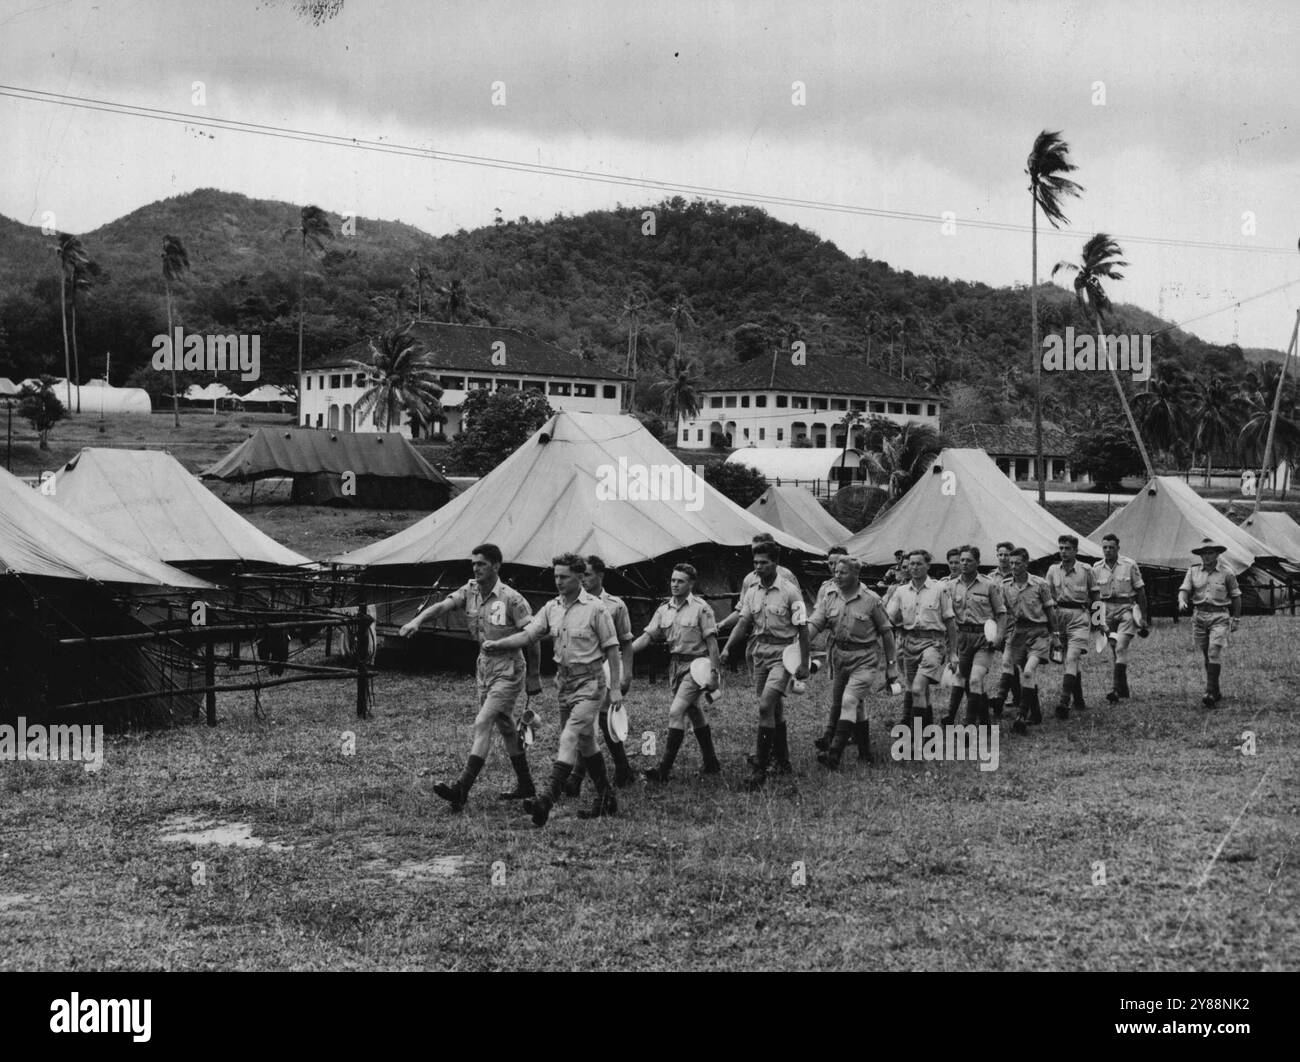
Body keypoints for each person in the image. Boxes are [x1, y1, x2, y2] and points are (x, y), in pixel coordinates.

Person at [482, 553, 623, 827]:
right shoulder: (551, 608)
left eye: (564, 577)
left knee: (569, 737)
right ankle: (607, 797)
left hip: (591, 683)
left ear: (580, 577)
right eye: (556, 576)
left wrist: (615, 687)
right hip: (565, 684)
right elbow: (529, 634)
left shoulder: (596, 609)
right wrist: (500, 644)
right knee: (585, 741)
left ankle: (545, 799)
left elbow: (613, 649)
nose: (558, 581)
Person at [399, 543, 543, 811]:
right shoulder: (470, 591)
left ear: (496, 566)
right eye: (473, 564)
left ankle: (461, 788)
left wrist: (534, 675)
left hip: (509, 668)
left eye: (482, 564)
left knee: (483, 721)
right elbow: (443, 606)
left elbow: (533, 637)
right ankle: (526, 784)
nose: (476, 568)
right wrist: (417, 621)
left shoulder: (512, 599)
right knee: (506, 726)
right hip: (484, 667)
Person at [719, 541, 809, 789]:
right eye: (756, 563)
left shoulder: (791, 591)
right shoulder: (752, 591)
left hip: (784, 654)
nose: (759, 567)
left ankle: (760, 770)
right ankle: (783, 761)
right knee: (774, 709)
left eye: (764, 562)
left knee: (766, 705)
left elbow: (803, 628)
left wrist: (804, 661)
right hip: (760, 653)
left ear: (775, 563)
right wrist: (727, 649)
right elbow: (743, 622)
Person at [631, 563, 722, 783]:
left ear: (691, 584)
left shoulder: (702, 608)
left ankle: (664, 769)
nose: (675, 584)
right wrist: (624, 654)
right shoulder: (664, 610)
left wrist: (714, 673)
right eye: (673, 580)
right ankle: (711, 762)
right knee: (693, 711)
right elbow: (647, 637)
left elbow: (712, 643)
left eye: (680, 581)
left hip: (697, 666)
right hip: (675, 666)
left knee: (676, 712)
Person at [806, 555, 896, 767]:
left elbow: (887, 633)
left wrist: (891, 667)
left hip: (865, 659)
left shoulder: (871, 599)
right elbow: (815, 624)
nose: (837, 576)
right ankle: (865, 753)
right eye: (835, 571)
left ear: (856, 575)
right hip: (840, 658)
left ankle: (834, 754)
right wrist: (798, 647)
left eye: (843, 572)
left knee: (849, 701)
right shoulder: (830, 596)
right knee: (851, 704)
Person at [564, 555, 635, 795]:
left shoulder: (616, 605)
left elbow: (625, 643)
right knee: (594, 723)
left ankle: (576, 777)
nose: (583, 579)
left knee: (595, 721)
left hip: (606, 669)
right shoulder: (572, 603)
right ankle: (622, 767)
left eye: (587, 575)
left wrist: (626, 675)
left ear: (600, 576)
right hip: (581, 673)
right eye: (580, 575)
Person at [884, 549, 958, 729]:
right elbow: (889, 619)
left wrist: (953, 653)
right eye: (911, 564)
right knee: (919, 690)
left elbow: (950, 622)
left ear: (928, 565)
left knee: (917, 688)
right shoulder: (901, 591)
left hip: (933, 644)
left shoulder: (940, 588)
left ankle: (916, 740)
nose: (914, 567)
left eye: (919, 564)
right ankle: (928, 730)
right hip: (909, 644)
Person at [945, 545, 1007, 726]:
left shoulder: (989, 585)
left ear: (978, 562)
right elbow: (948, 617)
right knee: (961, 679)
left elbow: (1001, 614)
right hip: (962, 638)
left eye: (969, 560)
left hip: (983, 639)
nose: (964, 563)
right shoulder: (950, 586)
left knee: (974, 679)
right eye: (962, 560)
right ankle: (986, 722)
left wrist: (999, 637)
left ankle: (969, 725)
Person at [1178, 540, 1242, 707]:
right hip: (1199, 616)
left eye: (1210, 553)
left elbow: (1236, 596)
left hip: (1219, 616)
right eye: (1204, 553)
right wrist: (1182, 600)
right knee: (1207, 654)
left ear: (1217, 554)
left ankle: (1209, 692)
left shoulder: (1227, 573)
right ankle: (1216, 690)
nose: (1206, 556)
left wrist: (1236, 619)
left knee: (1214, 652)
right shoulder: (1193, 571)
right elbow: (1184, 589)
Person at [1002, 547, 1058, 734]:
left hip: (1038, 632)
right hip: (1018, 634)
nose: (1014, 567)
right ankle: (1036, 713)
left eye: (1018, 563)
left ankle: (1021, 715)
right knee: (1026, 674)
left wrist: (1055, 636)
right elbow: (1006, 614)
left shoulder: (1040, 584)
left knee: (1028, 672)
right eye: (1011, 563)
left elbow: (1050, 611)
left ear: (1026, 563)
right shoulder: (1006, 586)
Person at [1045, 534, 1100, 718]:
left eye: (1068, 548)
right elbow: (1047, 598)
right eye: (1061, 548)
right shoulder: (1053, 570)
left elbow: (1096, 597)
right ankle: (1079, 699)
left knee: (1072, 656)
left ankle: (1063, 701)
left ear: (1076, 550)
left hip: (1079, 617)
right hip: (1059, 617)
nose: (1063, 552)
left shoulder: (1086, 570)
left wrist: (1098, 622)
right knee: (1069, 661)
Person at [1092, 533, 1150, 703]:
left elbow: (1141, 591)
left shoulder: (1129, 565)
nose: (1108, 550)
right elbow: (1094, 596)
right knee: (1114, 648)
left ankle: (1116, 690)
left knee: (1120, 648)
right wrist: (1097, 621)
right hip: (1106, 612)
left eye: (1111, 547)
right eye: (1105, 547)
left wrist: (1143, 618)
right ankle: (1123, 688)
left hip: (1126, 610)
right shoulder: (1096, 568)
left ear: (1118, 548)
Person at [717, 533, 800, 635]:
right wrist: (722, 624)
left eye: (762, 549)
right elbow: (741, 611)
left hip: (784, 638)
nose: (757, 553)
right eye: (754, 550)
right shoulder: (749, 579)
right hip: (757, 638)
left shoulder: (786, 576)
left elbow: (798, 613)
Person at [812, 545, 849, 751]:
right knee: (840, 691)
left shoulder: (856, 586)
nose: (833, 567)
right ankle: (840, 732)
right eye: (830, 563)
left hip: (857, 648)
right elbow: (819, 616)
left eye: (838, 563)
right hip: (835, 644)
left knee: (849, 694)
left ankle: (833, 733)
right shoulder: (826, 588)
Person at [988, 541, 1021, 719]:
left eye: (1006, 555)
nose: (1003, 558)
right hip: (998, 623)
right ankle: (1018, 696)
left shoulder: (1017, 574)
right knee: (1010, 660)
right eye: (1000, 554)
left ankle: (1000, 699)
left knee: (1009, 660)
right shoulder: (991, 577)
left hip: (1014, 621)